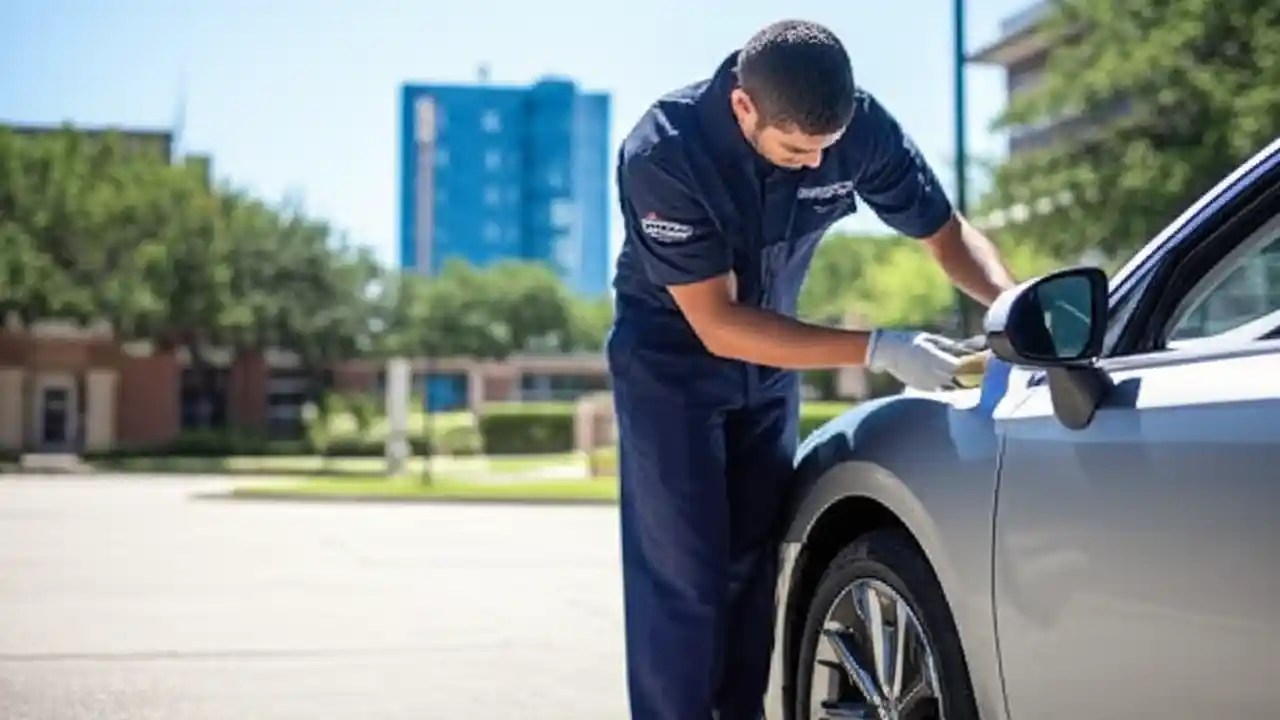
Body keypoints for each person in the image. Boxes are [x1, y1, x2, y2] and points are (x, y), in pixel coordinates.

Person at [607, 19, 1016, 720]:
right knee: (686, 580)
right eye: (797, 148)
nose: (815, 162)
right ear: (743, 106)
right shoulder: (665, 153)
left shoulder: (858, 129)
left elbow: (944, 234)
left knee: (754, 570)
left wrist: (1014, 303)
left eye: (827, 147)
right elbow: (718, 323)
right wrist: (878, 348)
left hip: (769, 368)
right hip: (671, 369)